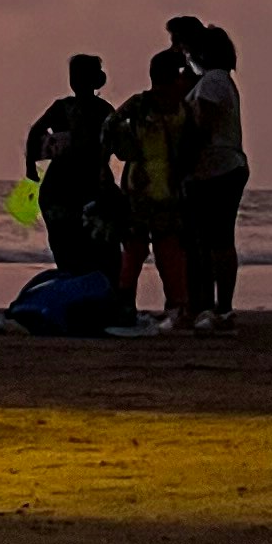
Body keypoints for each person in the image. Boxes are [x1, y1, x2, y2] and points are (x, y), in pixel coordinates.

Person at [106, 47, 199, 335]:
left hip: (153, 187)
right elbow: (110, 127)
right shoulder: (167, 107)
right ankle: (162, 308)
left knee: (151, 252)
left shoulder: (158, 106)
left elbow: (109, 128)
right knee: (153, 251)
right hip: (154, 189)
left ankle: (153, 308)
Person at [23, 54, 119, 281]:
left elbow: (35, 132)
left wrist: (31, 167)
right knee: (82, 245)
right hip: (80, 186)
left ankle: (82, 288)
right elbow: (117, 144)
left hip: (72, 186)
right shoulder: (101, 109)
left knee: (72, 245)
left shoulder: (72, 108)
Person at [179, 20, 249, 330]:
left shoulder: (211, 83)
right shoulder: (222, 82)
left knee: (214, 239)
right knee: (218, 238)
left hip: (215, 168)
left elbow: (201, 129)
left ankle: (218, 306)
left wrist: (182, 165)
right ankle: (217, 305)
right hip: (224, 165)